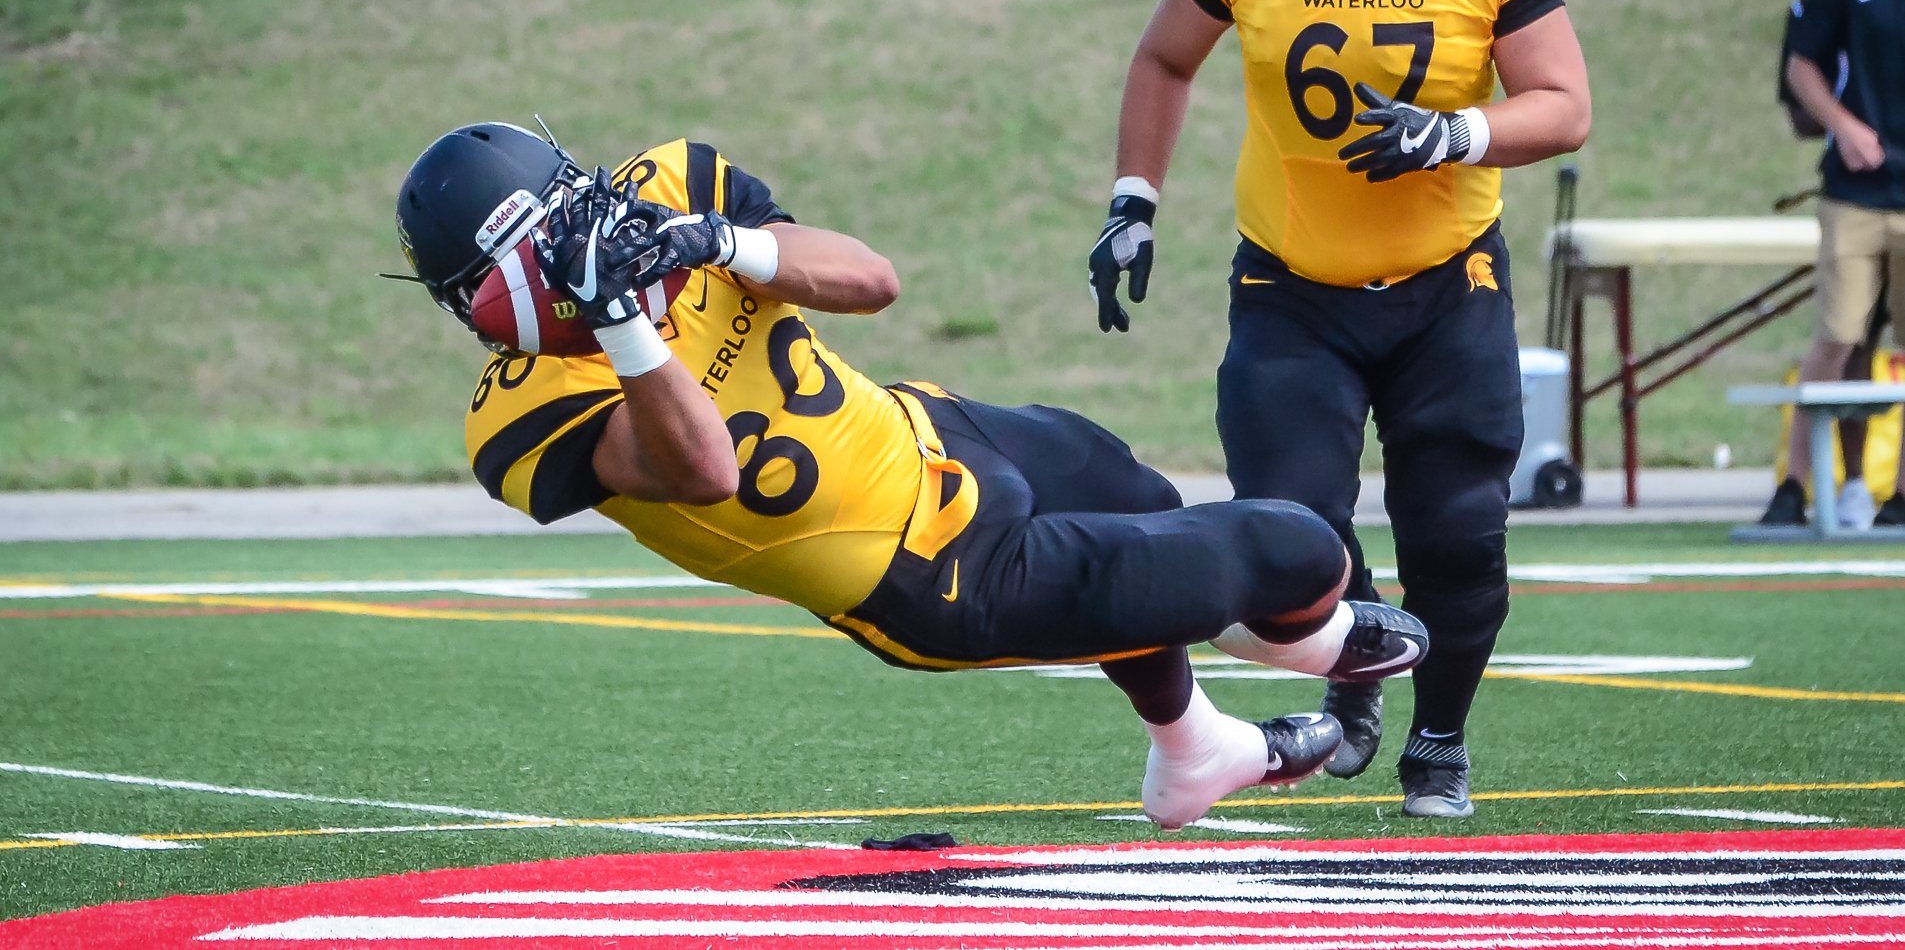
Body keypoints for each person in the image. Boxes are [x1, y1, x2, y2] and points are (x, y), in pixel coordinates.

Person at [392, 122, 1431, 831]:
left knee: (1141, 497)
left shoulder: (668, 190)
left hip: (931, 428)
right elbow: (703, 468)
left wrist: (719, 241)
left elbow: (871, 280)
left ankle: (1193, 744)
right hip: (929, 573)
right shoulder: (518, 412)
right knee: (1295, 545)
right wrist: (622, 320)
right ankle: (1311, 637)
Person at [1087, 0, 1591, 818]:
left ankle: (1441, 738)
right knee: (1288, 524)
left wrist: (1453, 132)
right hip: (1291, 285)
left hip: (1446, 282)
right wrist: (1133, 199)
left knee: (1458, 533)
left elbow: (1561, 106)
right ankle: (1357, 660)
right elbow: (1165, 61)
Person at [1773, 0, 1905, 527]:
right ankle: (1803, 486)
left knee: (1879, 350)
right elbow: (1799, 76)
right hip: (1857, 193)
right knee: (1840, 342)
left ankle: (1889, 494)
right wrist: (1844, 124)